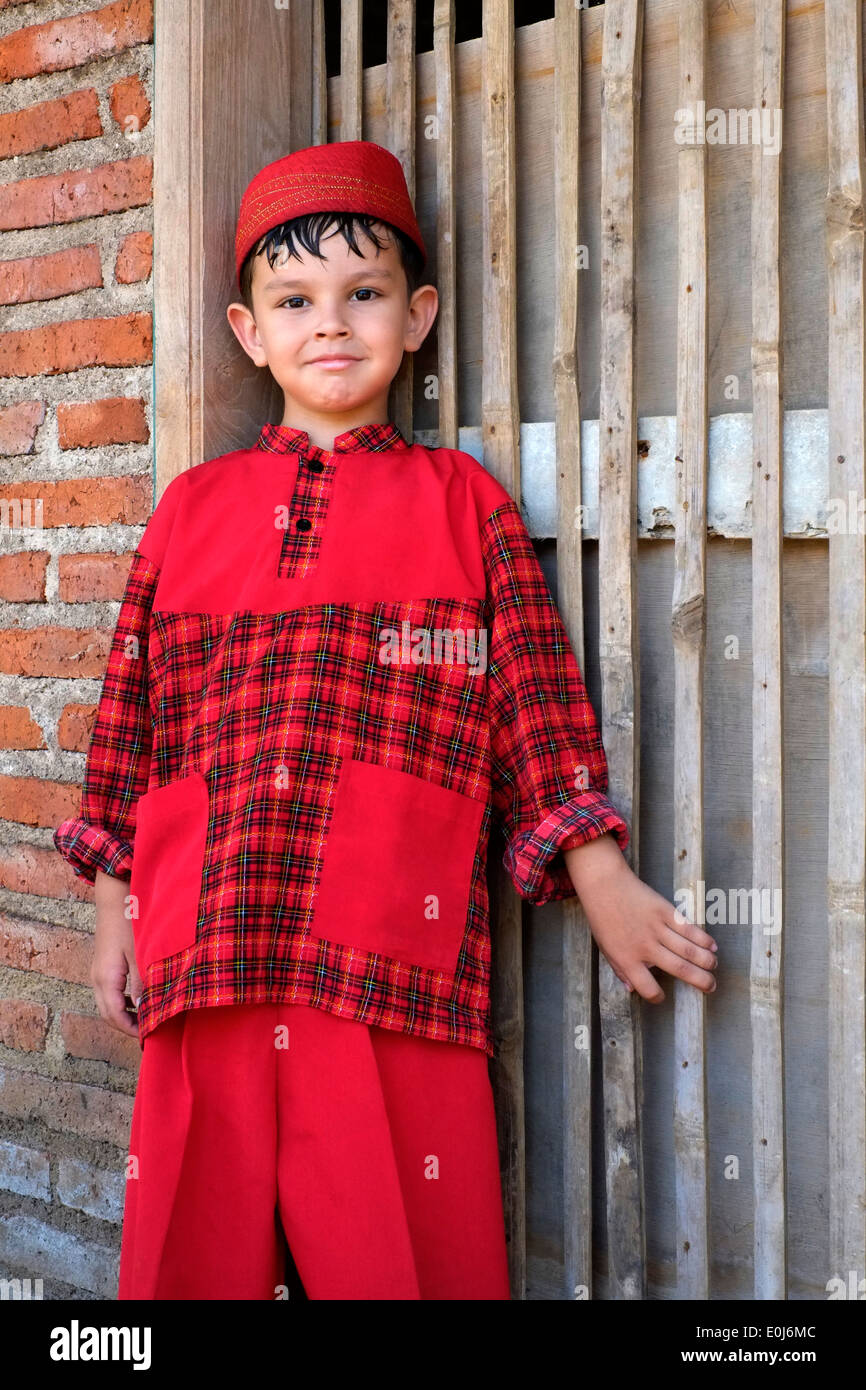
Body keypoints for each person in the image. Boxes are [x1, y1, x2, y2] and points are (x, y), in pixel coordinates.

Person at [53, 140, 718, 1301]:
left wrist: (599, 871)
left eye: (362, 295)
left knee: (406, 1263)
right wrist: (115, 907)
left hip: (388, 963)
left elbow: (532, 693)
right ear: (248, 331)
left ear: (414, 318)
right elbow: (131, 721)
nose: (330, 323)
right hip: (205, 946)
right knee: (182, 1270)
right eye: (294, 300)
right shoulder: (188, 512)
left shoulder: (463, 504)